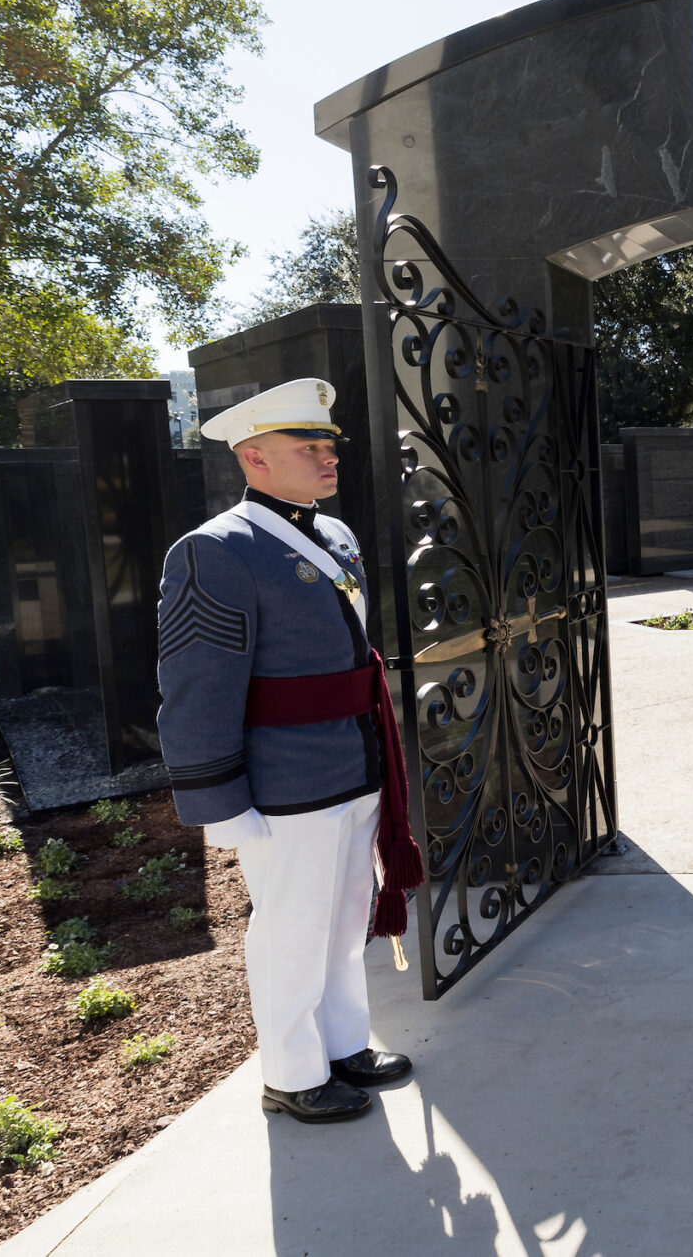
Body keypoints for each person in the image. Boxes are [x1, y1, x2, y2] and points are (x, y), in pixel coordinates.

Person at [156, 378, 422, 1125]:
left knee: (343, 921)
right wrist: (220, 802)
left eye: (327, 442)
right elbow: (196, 684)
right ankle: (292, 1072)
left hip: (351, 762)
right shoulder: (214, 549)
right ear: (253, 457)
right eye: (306, 446)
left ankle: (341, 1045)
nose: (326, 455)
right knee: (291, 930)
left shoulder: (335, 536)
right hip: (282, 780)